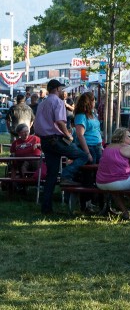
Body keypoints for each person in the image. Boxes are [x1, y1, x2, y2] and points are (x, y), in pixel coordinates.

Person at [34, 79, 90, 214]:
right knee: (83, 155)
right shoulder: (58, 102)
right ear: (58, 89)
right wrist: (68, 135)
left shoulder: (42, 103)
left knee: (51, 175)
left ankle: (46, 208)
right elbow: (59, 121)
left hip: (45, 141)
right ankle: (67, 175)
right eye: (61, 89)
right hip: (56, 139)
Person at [96, 127, 130, 220]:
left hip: (101, 183)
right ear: (122, 138)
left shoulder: (107, 148)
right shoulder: (129, 148)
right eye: (128, 136)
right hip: (118, 183)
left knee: (115, 189)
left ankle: (125, 212)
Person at [73, 92, 103, 165]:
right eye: (93, 101)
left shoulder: (93, 114)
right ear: (89, 102)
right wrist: (87, 153)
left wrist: (101, 145)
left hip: (97, 146)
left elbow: (97, 130)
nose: (95, 103)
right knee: (90, 171)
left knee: (98, 170)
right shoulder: (81, 116)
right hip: (89, 146)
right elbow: (80, 135)